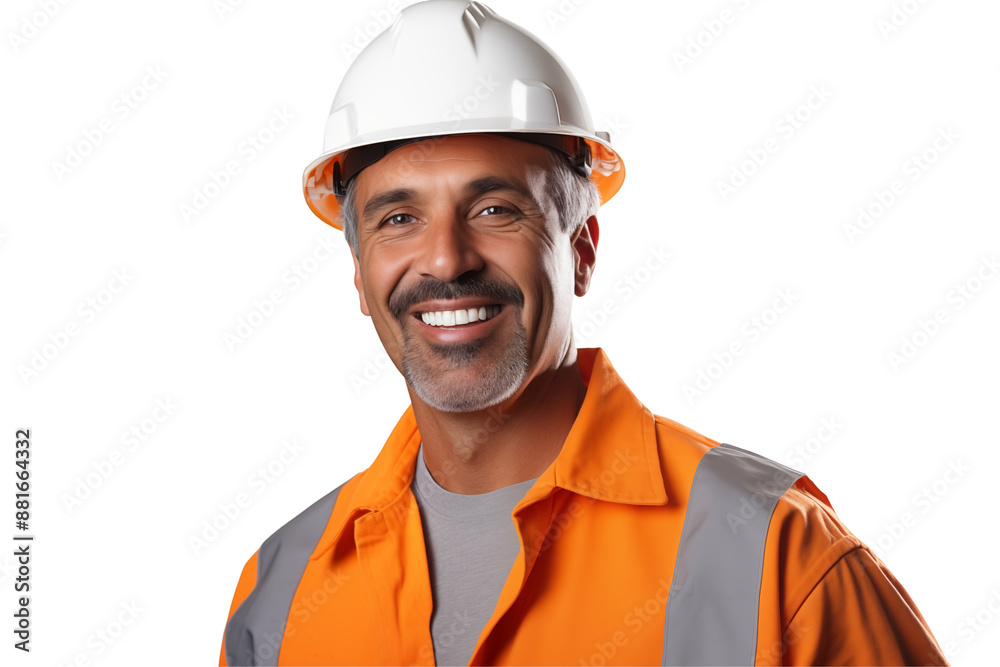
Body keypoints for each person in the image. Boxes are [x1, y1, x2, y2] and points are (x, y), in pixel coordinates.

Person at [220, 1, 948, 664]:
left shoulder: (775, 555)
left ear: (583, 249)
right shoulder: (281, 591)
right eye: (399, 218)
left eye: (497, 208)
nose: (445, 258)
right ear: (358, 271)